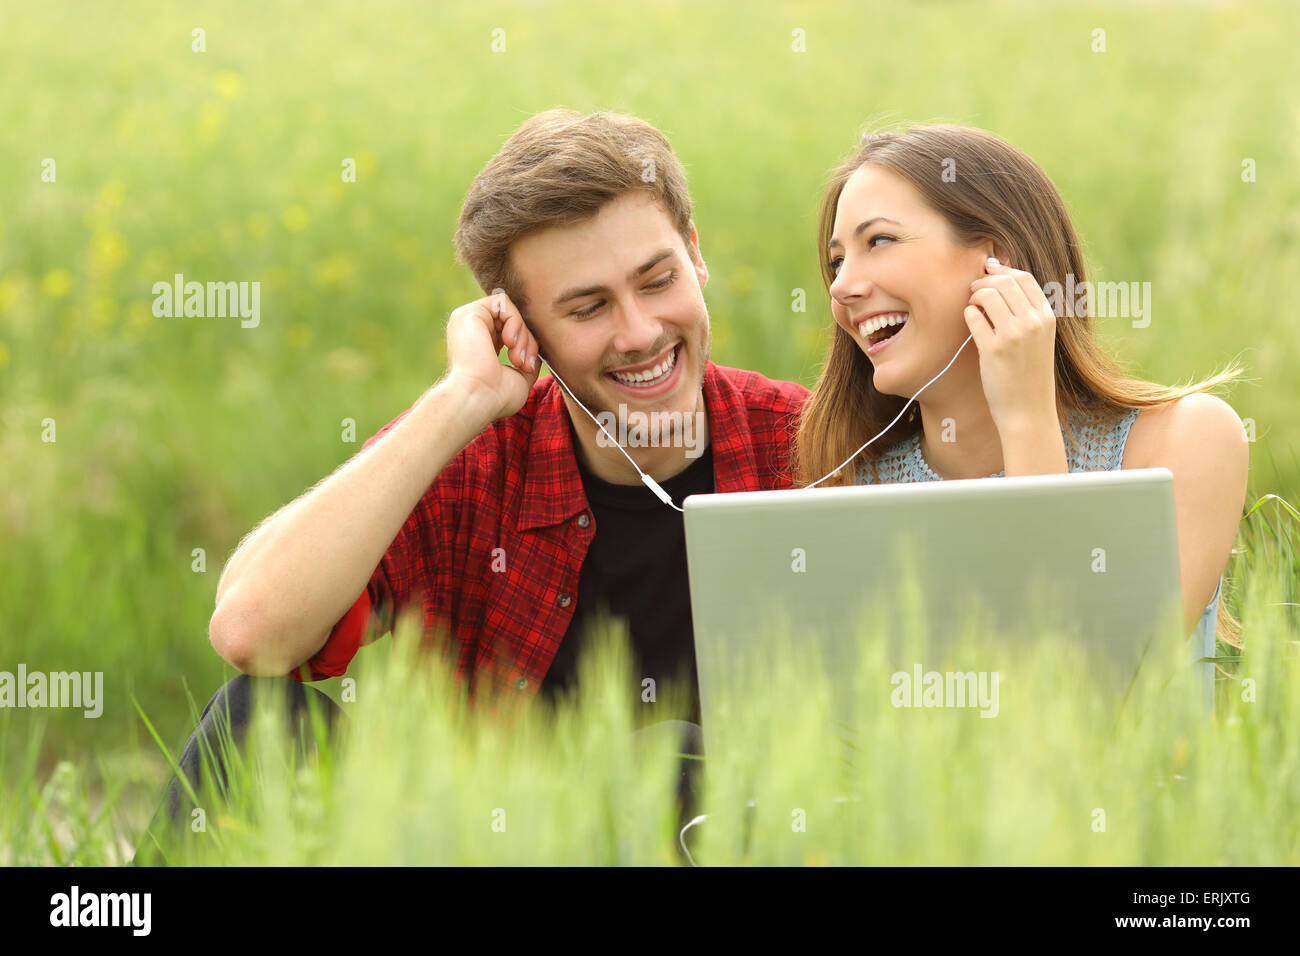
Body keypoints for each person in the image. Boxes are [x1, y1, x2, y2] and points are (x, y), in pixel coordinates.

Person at [136, 109, 809, 862]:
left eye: (658, 281)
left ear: (695, 255)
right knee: (254, 720)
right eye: (587, 308)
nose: (641, 332)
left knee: (675, 758)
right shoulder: (478, 459)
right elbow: (250, 634)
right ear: (522, 329)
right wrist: (459, 398)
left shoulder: (808, 444)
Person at [793, 124, 1248, 647]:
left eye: (880, 241)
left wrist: (1027, 420)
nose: (843, 286)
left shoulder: (1183, 443)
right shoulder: (857, 482)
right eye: (837, 261)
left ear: (997, 261)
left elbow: (1087, 686)